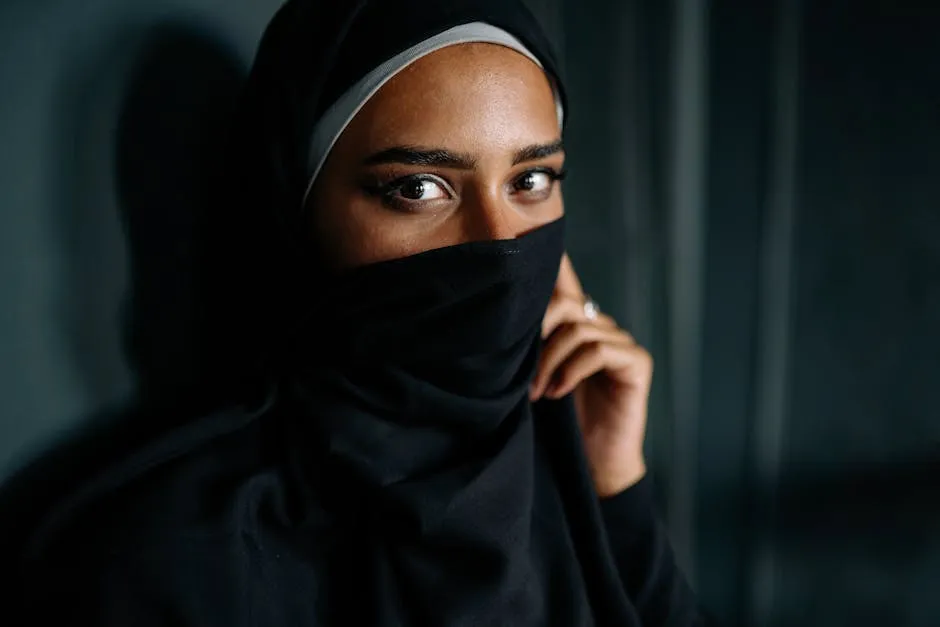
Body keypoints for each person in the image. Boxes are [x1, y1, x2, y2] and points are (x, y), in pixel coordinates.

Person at [17, 0, 710, 625]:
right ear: (295, 212)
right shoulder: (176, 565)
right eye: (418, 187)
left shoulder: (567, 460)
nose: (500, 243)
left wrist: (618, 487)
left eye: (531, 179)